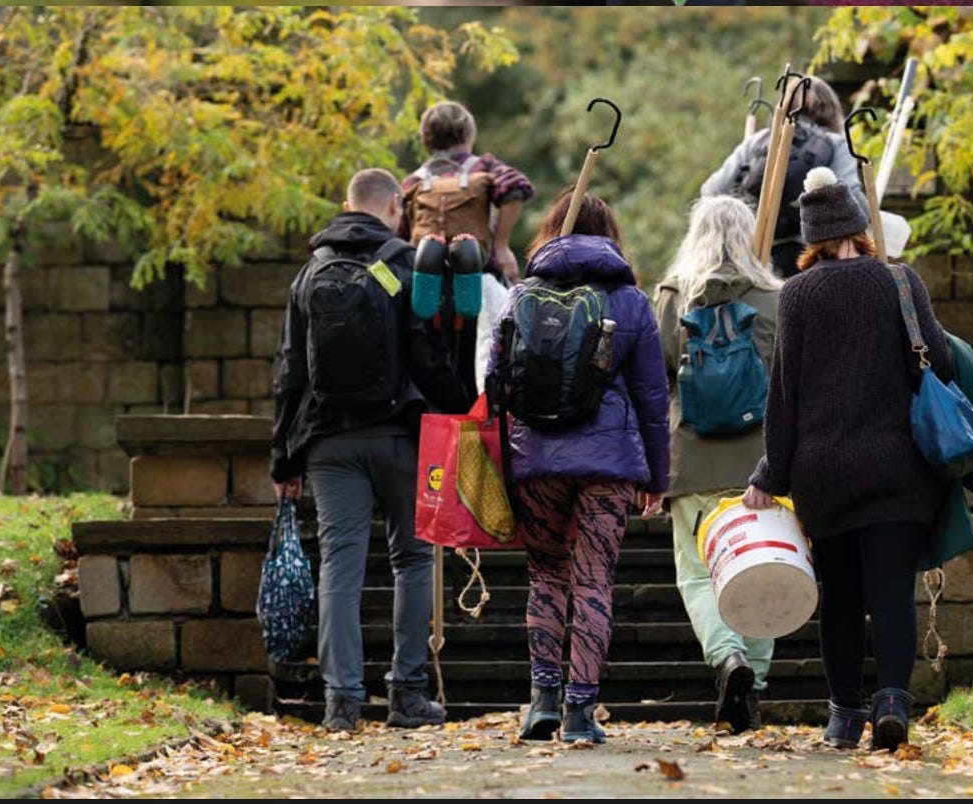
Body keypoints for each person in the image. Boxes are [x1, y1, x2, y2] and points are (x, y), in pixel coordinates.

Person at [742, 166, 954, 752]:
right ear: (860, 228)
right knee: (890, 594)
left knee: (838, 600)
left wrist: (769, 475)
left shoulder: (798, 295)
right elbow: (939, 362)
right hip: (896, 470)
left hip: (824, 475)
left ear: (810, 238)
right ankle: (892, 701)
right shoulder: (900, 282)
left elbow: (783, 395)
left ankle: (843, 716)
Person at [270, 168, 470, 733]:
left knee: (340, 565)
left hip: (328, 443)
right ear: (394, 209)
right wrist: (457, 411)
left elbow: (289, 372)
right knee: (410, 560)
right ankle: (407, 695)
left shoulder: (309, 273)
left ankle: (341, 702)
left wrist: (283, 458)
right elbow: (429, 355)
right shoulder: (402, 265)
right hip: (400, 436)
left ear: (345, 204)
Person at [485, 190, 670, 744]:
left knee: (546, 575)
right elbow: (654, 403)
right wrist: (657, 478)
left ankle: (541, 699)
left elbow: (495, 386)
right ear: (610, 236)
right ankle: (580, 712)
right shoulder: (631, 302)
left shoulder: (520, 296)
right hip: (609, 467)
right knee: (593, 581)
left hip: (537, 459)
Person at [652, 196, 782, 734]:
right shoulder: (776, 297)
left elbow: (657, 373)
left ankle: (726, 657)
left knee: (699, 574)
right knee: (765, 573)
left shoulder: (671, 295)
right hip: (762, 463)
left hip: (693, 460)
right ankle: (752, 680)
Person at [701, 76, 867, 280]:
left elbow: (712, 189)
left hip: (752, 255)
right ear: (833, 111)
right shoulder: (836, 144)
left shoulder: (761, 140)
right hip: (807, 258)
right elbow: (851, 195)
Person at [401, 100, 536, 285]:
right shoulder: (484, 168)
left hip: (426, 283)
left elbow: (400, 234)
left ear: (426, 139)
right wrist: (501, 247)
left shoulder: (413, 182)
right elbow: (515, 188)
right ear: (466, 135)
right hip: (481, 277)